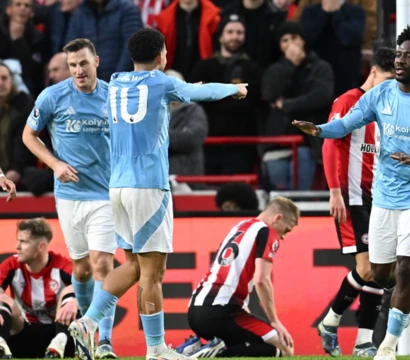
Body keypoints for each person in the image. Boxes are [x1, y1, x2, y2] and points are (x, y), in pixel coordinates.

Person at [68, 28, 248, 360]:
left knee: (134, 266)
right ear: (163, 55)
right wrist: (234, 89)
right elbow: (201, 92)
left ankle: (88, 323)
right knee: (153, 272)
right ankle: (155, 349)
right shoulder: (162, 83)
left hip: (117, 187)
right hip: (148, 186)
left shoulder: (117, 81)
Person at [292, 26, 410, 360]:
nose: (401, 60)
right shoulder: (382, 93)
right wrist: (318, 129)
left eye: (409, 55)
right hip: (384, 198)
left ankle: (386, 347)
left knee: (405, 269)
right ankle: (402, 303)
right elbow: (346, 124)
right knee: (381, 273)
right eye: (399, 54)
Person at [22, 38, 119, 359]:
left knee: (103, 263)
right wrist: (55, 163)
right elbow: (28, 135)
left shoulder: (113, 96)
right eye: (73, 65)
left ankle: (104, 340)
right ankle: (84, 336)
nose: (78, 70)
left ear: (96, 62)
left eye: (83, 63)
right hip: (69, 196)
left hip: (106, 193)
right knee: (80, 270)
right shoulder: (53, 97)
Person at [316, 47, 395, 357]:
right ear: (373, 72)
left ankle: (362, 341)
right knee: (367, 267)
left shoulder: (383, 108)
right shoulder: (350, 101)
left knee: (383, 270)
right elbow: (329, 145)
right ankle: (332, 322)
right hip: (352, 197)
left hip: (378, 197)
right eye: (386, 79)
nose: (389, 87)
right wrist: (335, 191)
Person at [177, 197, 299, 358]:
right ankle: (209, 355)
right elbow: (262, 280)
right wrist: (275, 321)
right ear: (278, 218)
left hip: (195, 310)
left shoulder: (239, 226)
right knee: (285, 350)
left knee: (246, 345)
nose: (283, 236)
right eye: (286, 230)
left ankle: (197, 349)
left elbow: (228, 271)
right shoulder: (267, 231)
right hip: (221, 311)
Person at [0, 218, 78, 358]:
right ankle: (0, 343)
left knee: (73, 292)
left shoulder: (63, 266)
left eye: (23, 242)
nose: (17, 246)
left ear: (41, 246)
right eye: (19, 241)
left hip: (58, 331)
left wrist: (76, 301)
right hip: (25, 336)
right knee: (2, 300)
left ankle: (59, 342)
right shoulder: (11, 265)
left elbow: (93, 291)